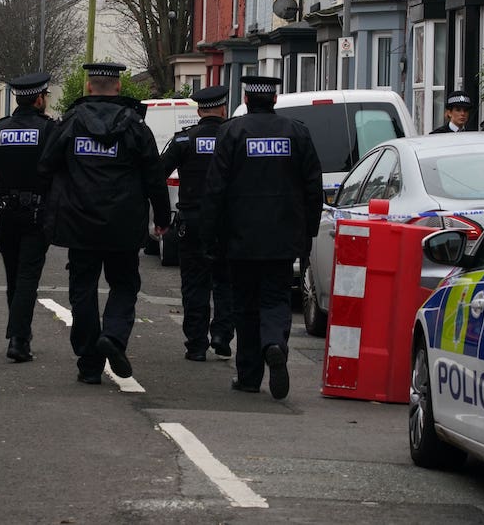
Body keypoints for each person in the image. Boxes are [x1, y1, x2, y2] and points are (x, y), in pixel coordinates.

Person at [38, 61, 171, 384]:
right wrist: (163, 218)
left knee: (82, 288)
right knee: (124, 284)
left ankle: (89, 363)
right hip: (123, 223)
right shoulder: (136, 127)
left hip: (79, 222)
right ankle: (112, 335)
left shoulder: (70, 124)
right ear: (119, 88)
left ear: (88, 87)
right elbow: (155, 176)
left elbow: (45, 168)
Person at [200, 76, 322, 400]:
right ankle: (274, 343)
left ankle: (250, 376)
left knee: (244, 306)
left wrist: (208, 234)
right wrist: (308, 231)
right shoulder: (297, 133)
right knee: (276, 298)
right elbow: (313, 186)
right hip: (282, 237)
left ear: (246, 97)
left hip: (240, 239)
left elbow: (215, 190)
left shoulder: (231, 132)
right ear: (275, 98)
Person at [0, 72, 55, 363]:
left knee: (14, 278)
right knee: (27, 278)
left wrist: (0, 199)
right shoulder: (48, 130)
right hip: (37, 216)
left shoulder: (1, 129)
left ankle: (19, 334)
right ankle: (19, 339)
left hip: (7, 215)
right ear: (38, 99)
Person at [159, 85, 234, 362]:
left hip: (192, 221)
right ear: (223, 109)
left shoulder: (184, 140)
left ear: (200, 110)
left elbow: (158, 173)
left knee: (194, 284)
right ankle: (222, 335)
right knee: (225, 281)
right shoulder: (234, 138)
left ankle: (196, 344)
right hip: (227, 223)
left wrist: (159, 215)